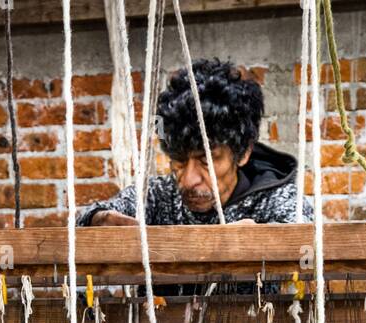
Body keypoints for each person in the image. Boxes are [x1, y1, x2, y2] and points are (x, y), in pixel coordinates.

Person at [78, 57, 310, 227]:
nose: (188, 180)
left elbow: (308, 237)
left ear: (244, 153)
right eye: (179, 160)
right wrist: (99, 219)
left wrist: (265, 239)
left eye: (206, 160)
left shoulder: (275, 200)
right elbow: (88, 218)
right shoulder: (159, 197)